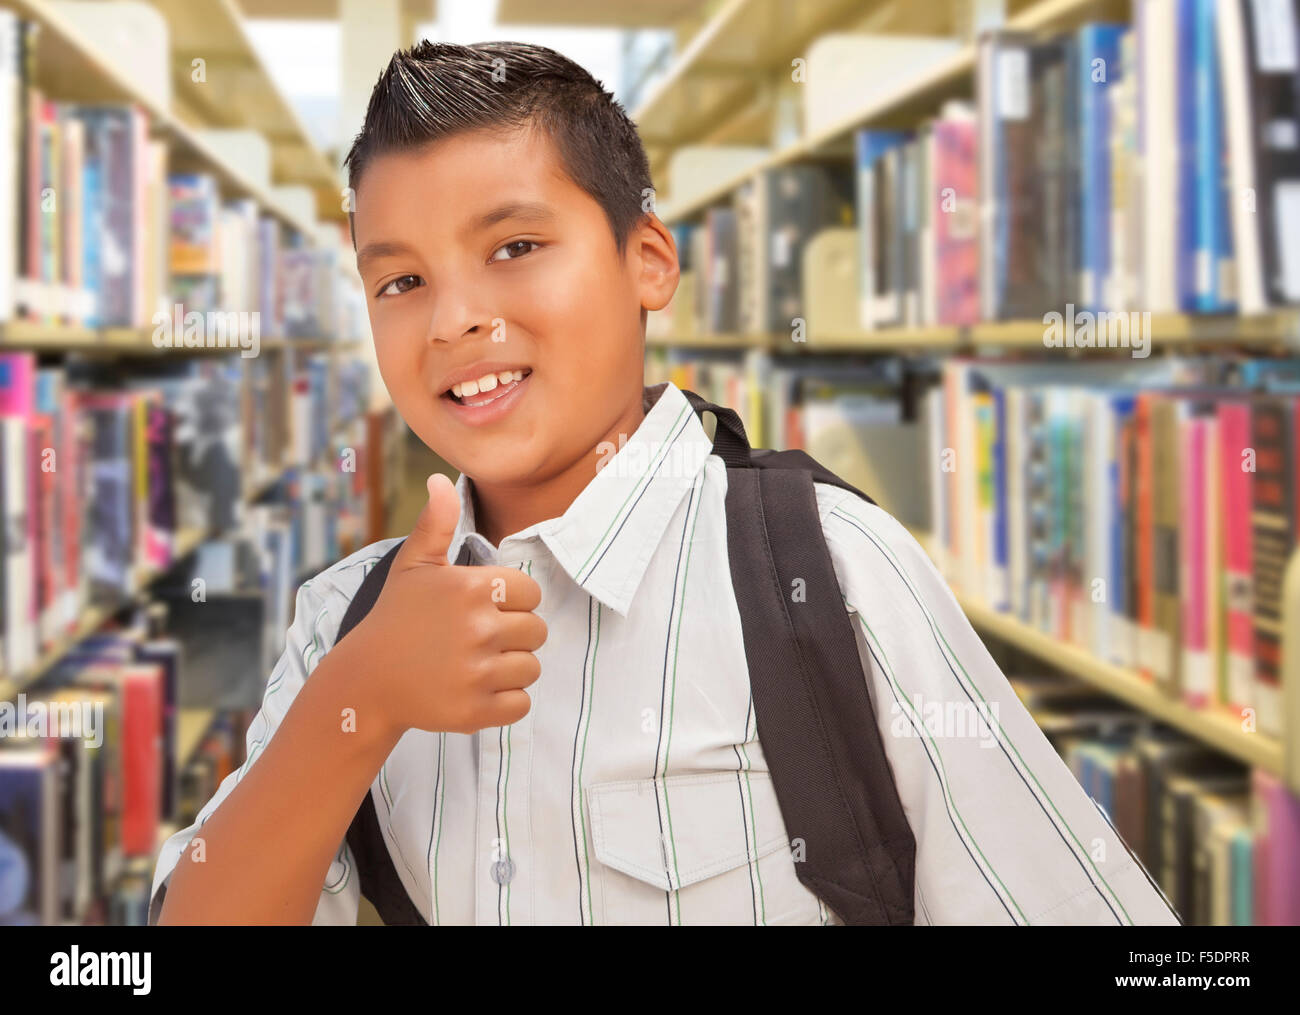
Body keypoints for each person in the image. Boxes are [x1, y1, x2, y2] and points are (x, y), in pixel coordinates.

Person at [150, 40, 1179, 926]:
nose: (454, 318)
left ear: (647, 260)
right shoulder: (347, 621)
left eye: (515, 246)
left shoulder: (826, 572)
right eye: (400, 281)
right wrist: (361, 701)